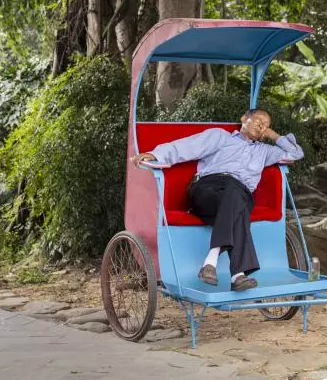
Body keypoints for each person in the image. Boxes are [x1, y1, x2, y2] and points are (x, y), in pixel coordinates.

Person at [130, 109, 304, 291]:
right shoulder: (220, 137)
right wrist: (156, 154)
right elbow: (187, 146)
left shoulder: (265, 152)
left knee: (239, 196)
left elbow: (296, 153)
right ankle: (235, 272)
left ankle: (213, 264)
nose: (262, 125)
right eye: (258, 119)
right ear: (244, 118)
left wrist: (272, 135)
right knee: (238, 198)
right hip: (208, 189)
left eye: (266, 124)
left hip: (238, 195)